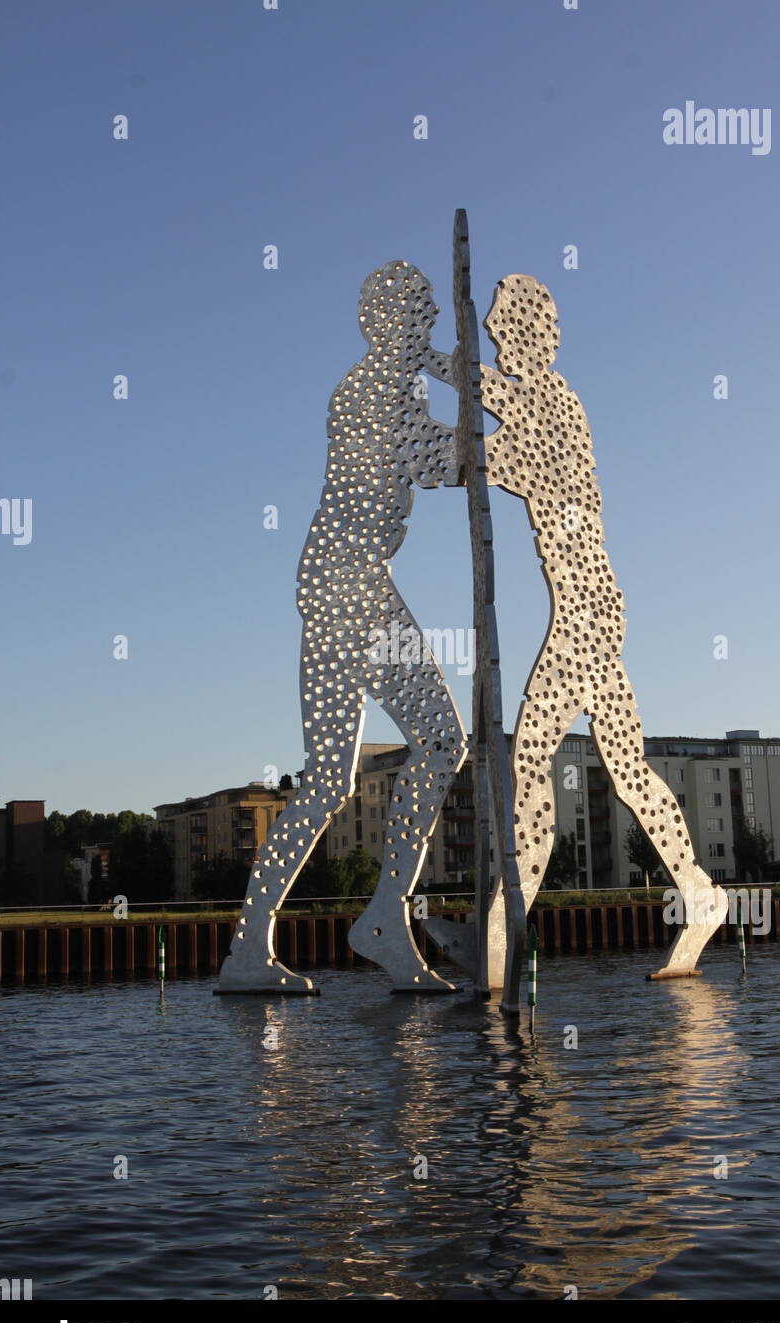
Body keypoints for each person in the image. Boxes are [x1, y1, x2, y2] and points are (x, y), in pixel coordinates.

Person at [217, 262, 467, 993]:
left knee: (329, 779)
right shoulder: (374, 389)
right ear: (384, 323)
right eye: (417, 314)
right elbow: (443, 462)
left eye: (429, 315)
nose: (427, 325)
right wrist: (484, 396)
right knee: (441, 741)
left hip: (339, 581)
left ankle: (250, 950)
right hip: (350, 585)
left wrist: (455, 373)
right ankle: (383, 917)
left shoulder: (386, 383)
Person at [477, 274, 727, 977]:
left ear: (532, 333)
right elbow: (495, 402)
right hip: (591, 608)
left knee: (532, 764)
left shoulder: (556, 402)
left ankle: (499, 934)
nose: (492, 335)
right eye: (488, 328)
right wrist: (444, 366)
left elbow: (506, 457)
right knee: (625, 768)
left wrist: (442, 438)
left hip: (584, 612)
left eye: (502, 326)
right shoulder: (539, 397)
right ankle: (700, 893)